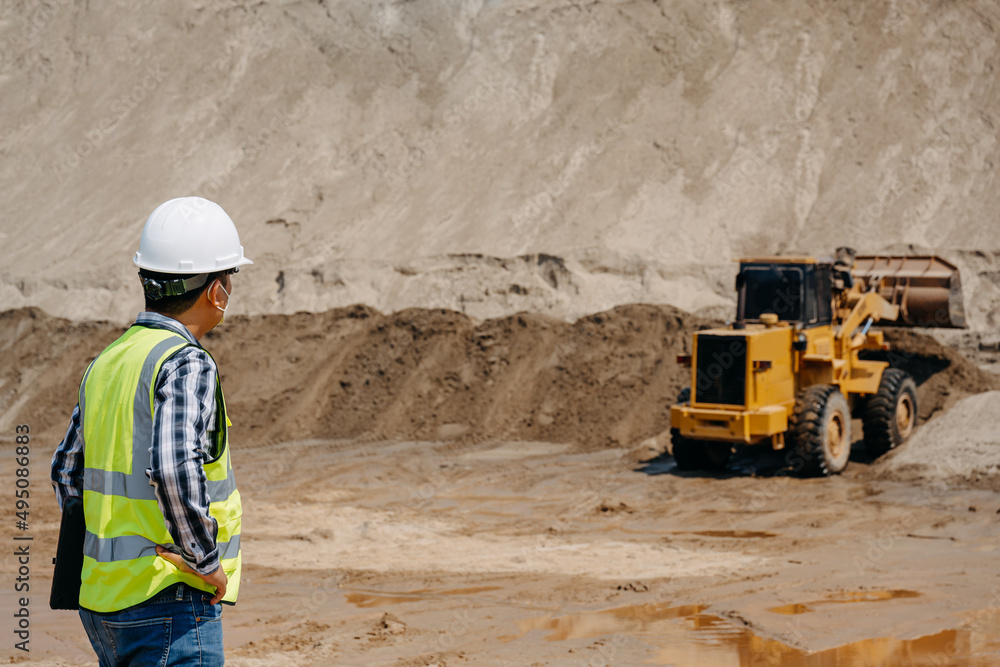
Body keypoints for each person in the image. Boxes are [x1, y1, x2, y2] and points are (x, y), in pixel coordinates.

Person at [50, 196, 252, 666]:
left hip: (102, 602)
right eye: (230, 277)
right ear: (216, 290)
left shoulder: (110, 359)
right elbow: (172, 467)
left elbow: (66, 471)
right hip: (169, 599)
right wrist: (205, 562)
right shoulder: (186, 362)